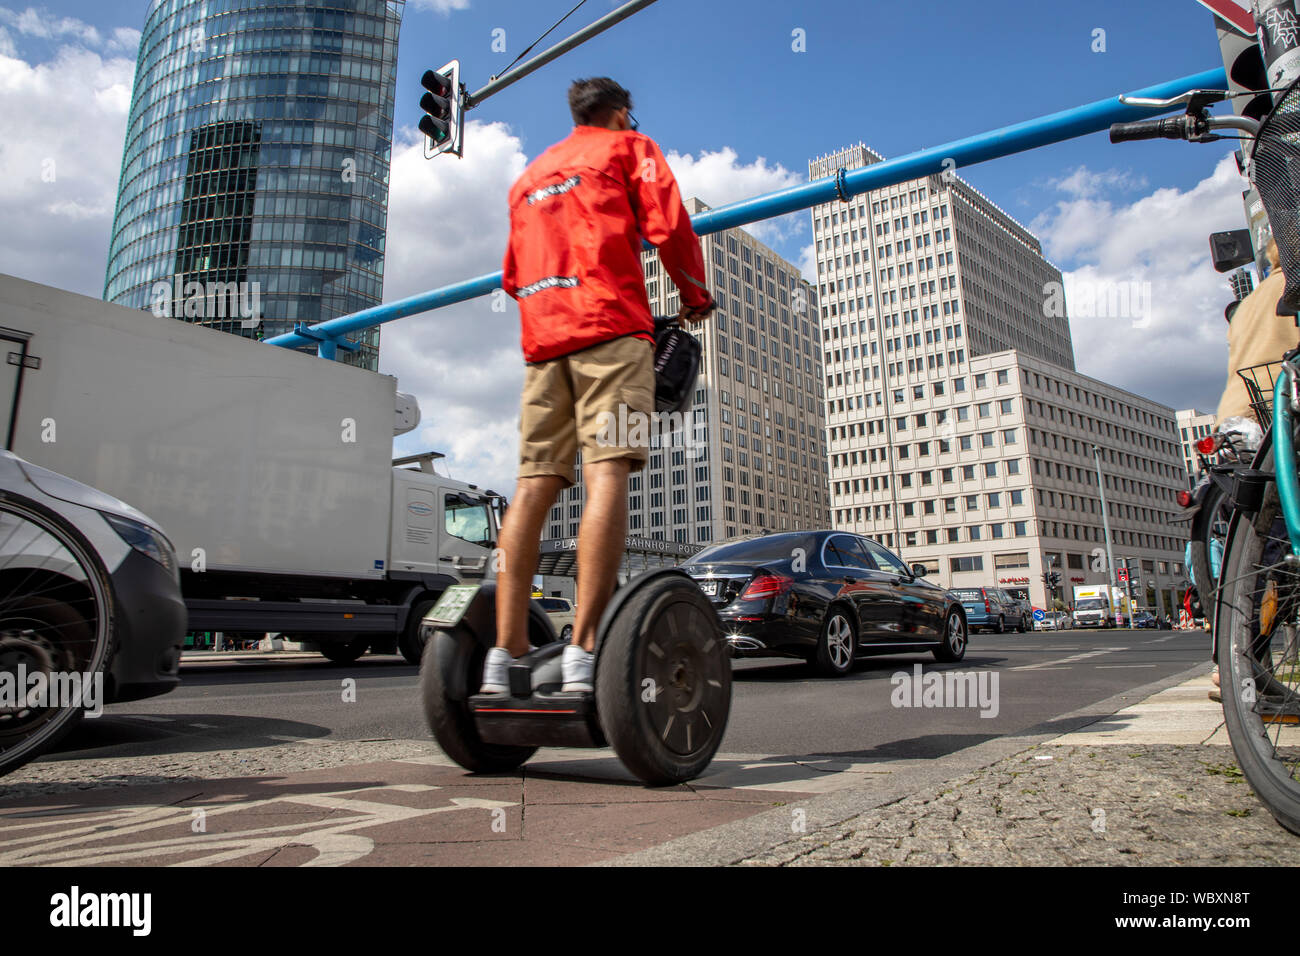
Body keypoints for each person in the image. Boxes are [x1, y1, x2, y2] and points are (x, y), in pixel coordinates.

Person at [483, 77, 715, 694]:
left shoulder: (528, 177)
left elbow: (512, 276)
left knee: (531, 488)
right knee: (608, 474)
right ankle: (584, 652)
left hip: (542, 349)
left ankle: (502, 656)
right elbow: (669, 228)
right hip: (614, 337)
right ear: (621, 112)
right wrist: (694, 296)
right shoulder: (630, 147)